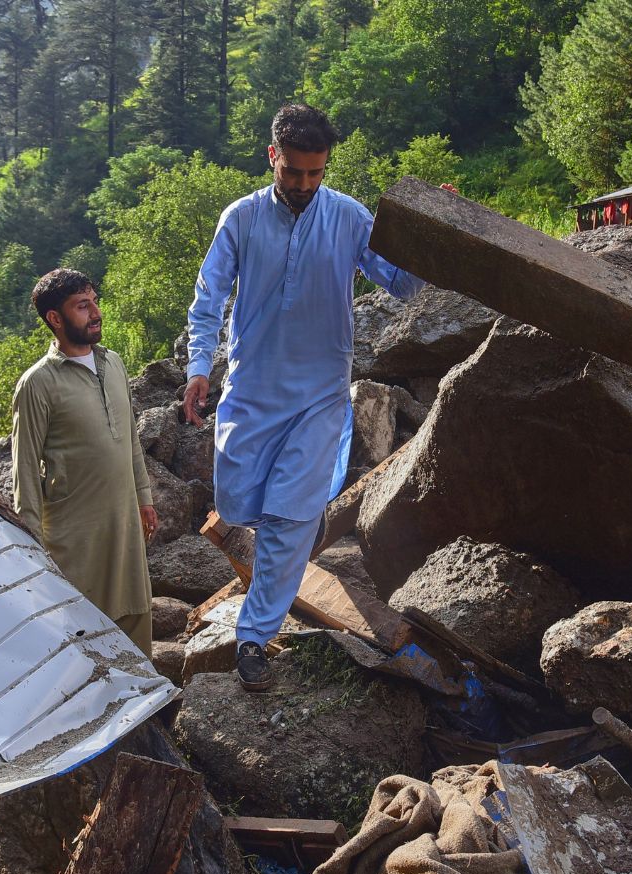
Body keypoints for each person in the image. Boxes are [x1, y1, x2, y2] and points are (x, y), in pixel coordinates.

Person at [183, 103, 440, 692]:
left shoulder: (349, 217)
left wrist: (430, 235)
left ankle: (253, 637)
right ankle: (293, 524)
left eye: (315, 173)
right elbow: (208, 296)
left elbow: (403, 284)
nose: (303, 184)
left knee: (288, 521)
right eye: (293, 171)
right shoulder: (241, 218)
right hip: (251, 391)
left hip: (320, 396)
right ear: (272, 156)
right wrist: (199, 368)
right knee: (238, 503)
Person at [11, 268, 159, 656]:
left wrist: (144, 498)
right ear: (55, 318)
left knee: (135, 615)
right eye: (82, 306)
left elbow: (130, 440)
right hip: (74, 538)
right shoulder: (37, 383)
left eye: (94, 301)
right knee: (82, 635)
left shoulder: (114, 364)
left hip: (124, 524)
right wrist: (30, 546)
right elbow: (24, 468)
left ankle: (145, 694)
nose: (96, 312)